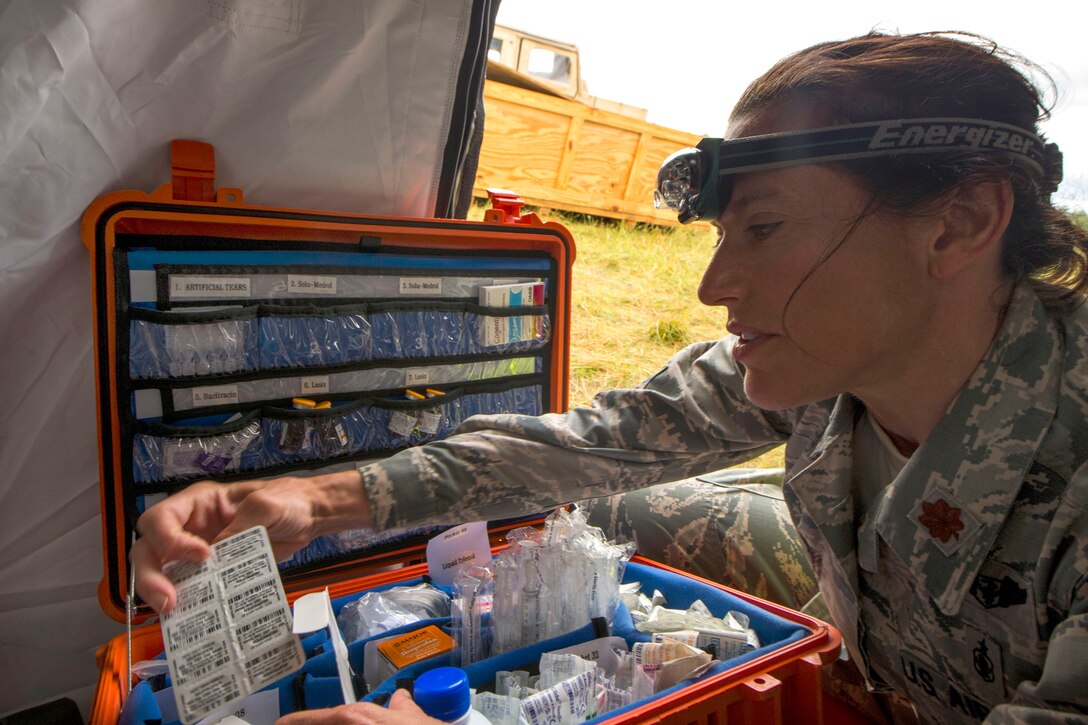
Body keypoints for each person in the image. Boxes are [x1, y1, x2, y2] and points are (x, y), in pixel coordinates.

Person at [132, 31, 1088, 724]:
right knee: (614, 516)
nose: (716, 285)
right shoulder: (817, 363)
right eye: (722, 236)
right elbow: (595, 443)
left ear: (959, 224)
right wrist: (312, 495)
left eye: (764, 229)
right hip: (880, 671)